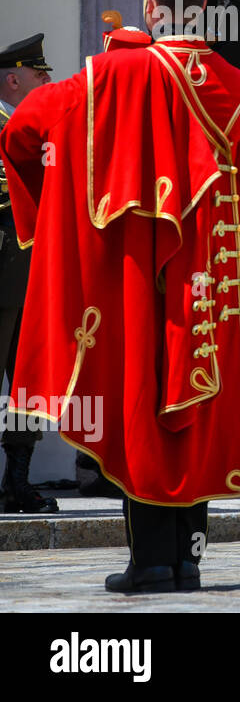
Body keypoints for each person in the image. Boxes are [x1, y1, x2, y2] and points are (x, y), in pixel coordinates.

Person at [0, 0, 240, 590]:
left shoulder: (108, 75)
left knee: (142, 404)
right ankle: (187, 562)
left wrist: (64, 210)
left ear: (151, 5)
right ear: (203, 7)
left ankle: (150, 562)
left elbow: (26, 130)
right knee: (197, 410)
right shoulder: (236, 85)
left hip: (135, 275)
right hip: (209, 277)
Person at [0, 33, 55, 513]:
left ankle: (17, 479)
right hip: (4, 269)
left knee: (28, 380)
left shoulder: (39, 128)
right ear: (14, 80)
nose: (48, 82)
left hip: (31, 275)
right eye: (40, 76)